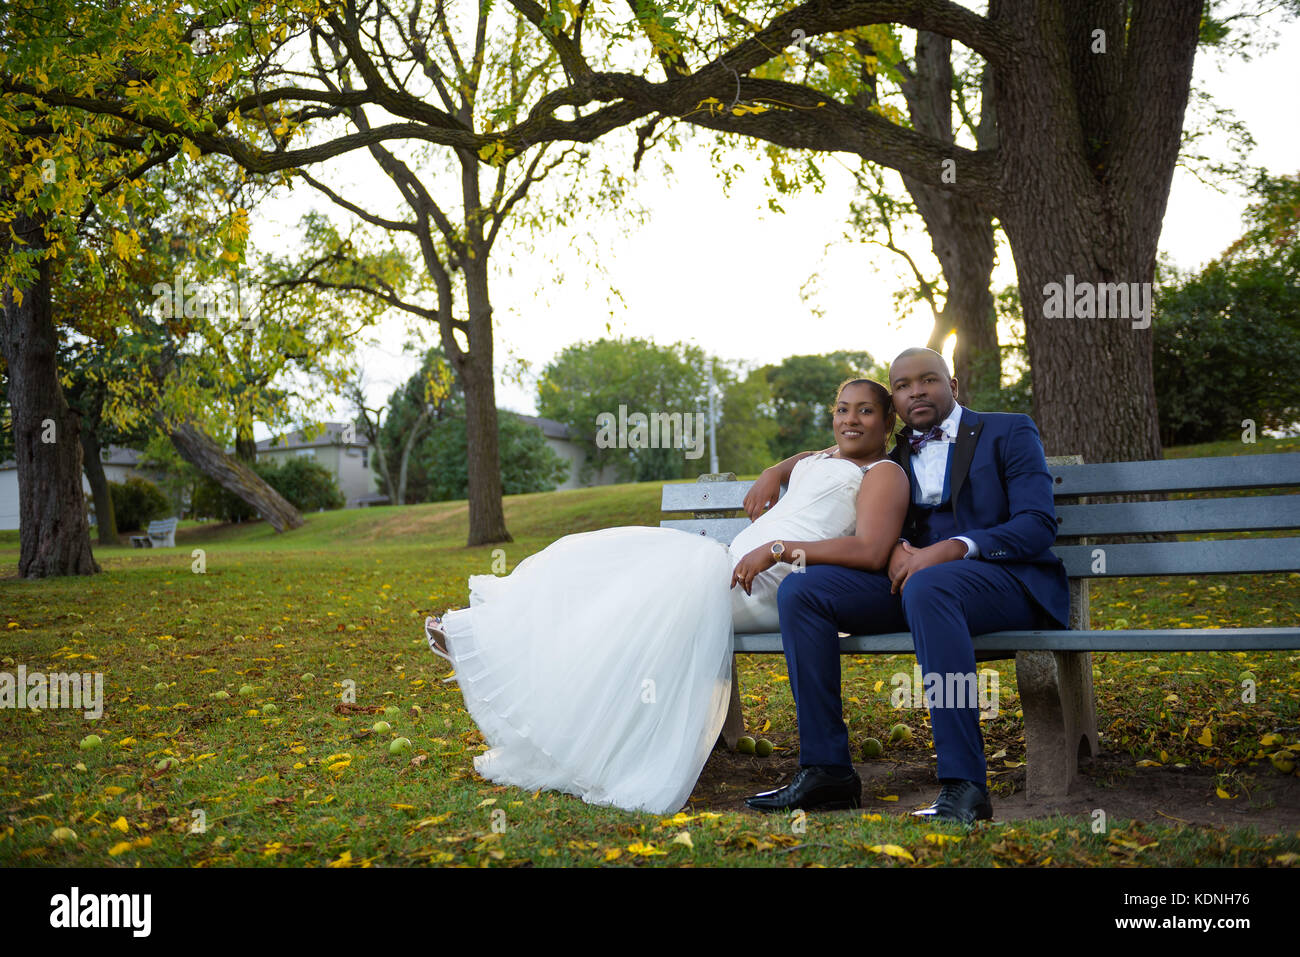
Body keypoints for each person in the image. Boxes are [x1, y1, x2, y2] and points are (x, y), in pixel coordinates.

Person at [423, 379, 910, 815]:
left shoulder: (882, 474)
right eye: (842, 409)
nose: (851, 419)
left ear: (888, 420)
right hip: (737, 562)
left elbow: (869, 551)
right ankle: (511, 649)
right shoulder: (822, 458)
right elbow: (806, 462)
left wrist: (779, 548)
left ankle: (497, 645)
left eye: (866, 411)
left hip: (774, 581)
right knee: (618, 577)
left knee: (639, 591)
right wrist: (772, 470)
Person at [741, 348, 1069, 822]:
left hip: (1007, 583)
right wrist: (777, 471)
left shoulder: (1008, 430)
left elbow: (1038, 525)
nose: (916, 390)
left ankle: (963, 786)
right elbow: (831, 452)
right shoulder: (890, 459)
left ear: (953, 386)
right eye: (902, 385)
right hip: (916, 589)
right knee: (803, 590)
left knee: (929, 587)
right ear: (894, 402)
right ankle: (826, 769)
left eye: (928, 380)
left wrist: (952, 547)